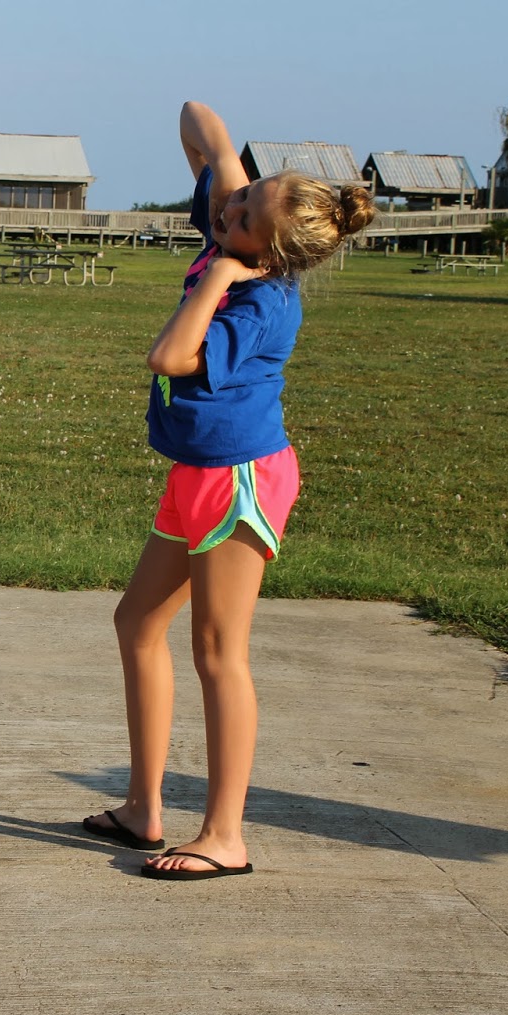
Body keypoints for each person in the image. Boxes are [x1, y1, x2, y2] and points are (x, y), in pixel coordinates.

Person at [82, 101, 374, 879]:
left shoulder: (261, 301)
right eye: (243, 196)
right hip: (196, 475)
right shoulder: (238, 227)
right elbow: (196, 119)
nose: (230, 209)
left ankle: (224, 836)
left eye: (246, 216)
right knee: (137, 622)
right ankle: (145, 808)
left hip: (239, 481)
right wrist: (231, 180)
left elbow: (170, 357)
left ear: (270, 256)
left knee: (218, 653)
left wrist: (217, 273)